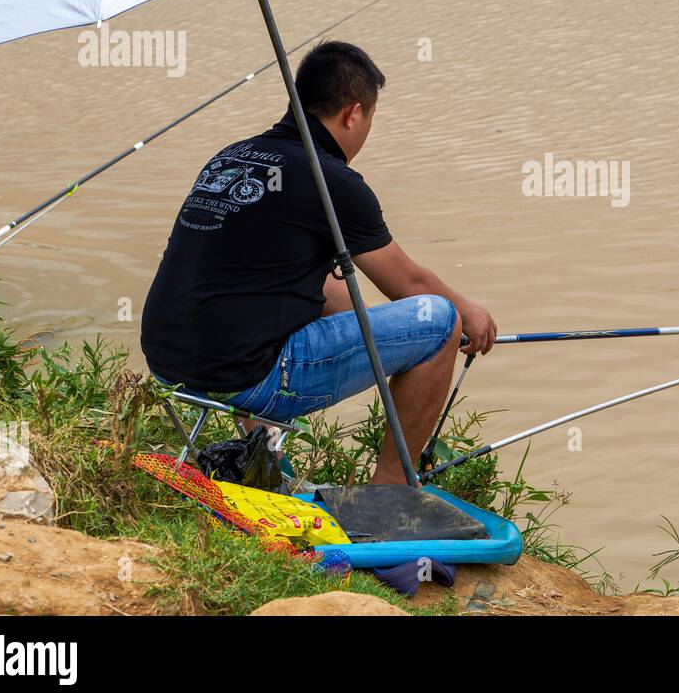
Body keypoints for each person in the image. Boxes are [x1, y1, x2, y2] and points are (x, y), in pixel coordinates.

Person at [141, 40, 496, 483]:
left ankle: (265, 462)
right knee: (440, 320)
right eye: (370, 118)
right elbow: (410, 284)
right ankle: (391, 487)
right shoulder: (333, 182)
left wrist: (386, 341)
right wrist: (469, 315)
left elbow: (312, 289)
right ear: (353, 113)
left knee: (315, 292)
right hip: (240, 374)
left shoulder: (231, 157)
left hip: (168, 360)